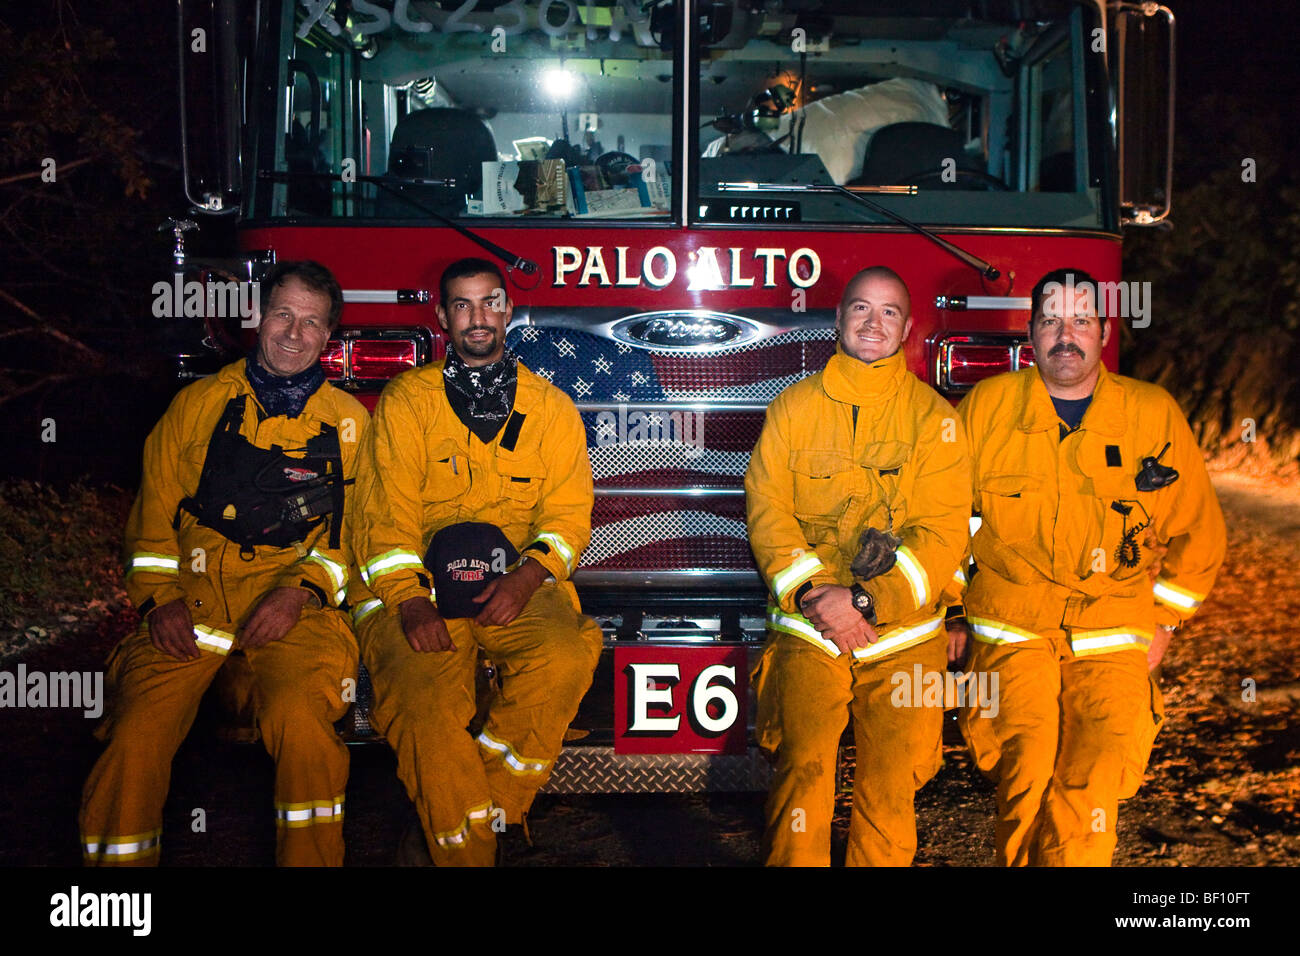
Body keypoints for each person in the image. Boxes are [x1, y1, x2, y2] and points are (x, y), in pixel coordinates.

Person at [80, 260, 368, 866]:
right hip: (193, 602)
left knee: (303, 726)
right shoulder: (196, 404)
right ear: (257, 319)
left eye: (311, 322)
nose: (293, 333)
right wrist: (160, 602)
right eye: (283, 314)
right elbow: (151, 519)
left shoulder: (351, 424)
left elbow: (353, 540)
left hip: (293, 608)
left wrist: (304, 592)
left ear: (328, 338)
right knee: (134, 736)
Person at [948, 268, 1227, 866]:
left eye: (1080, 320)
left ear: (1104, 331)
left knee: (1092, 780)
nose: (1065, 335)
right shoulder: (988, 408)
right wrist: (952, 610)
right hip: (1014, 628)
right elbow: (946, 520)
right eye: (1050, 321)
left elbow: (1198, 530)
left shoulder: (1152, 414)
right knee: (1028, 774)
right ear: (1030, 335)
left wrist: (1167, 622)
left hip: (1114, 630)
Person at [349, 256, 601, 867]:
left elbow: (568, 520)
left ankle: (478, 812)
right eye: (462, 305)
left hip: (515, 582)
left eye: (489, 302)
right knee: (424, 706)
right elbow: (383, 518)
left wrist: (528, 576)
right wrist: (409, 602)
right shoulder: (408, 403)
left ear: (509, 310)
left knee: (566, 657)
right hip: (415, 589)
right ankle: (472, 849)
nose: (477, 317)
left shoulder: (550, 408)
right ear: (442, 317)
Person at [744, 266, 971, 866]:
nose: (874, 323)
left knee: (890, 787)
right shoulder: (792, 408)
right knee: (804, 771)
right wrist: (818, 596)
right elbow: (769, 512)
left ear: (907, 330)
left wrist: (865, 602)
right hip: (809, 628)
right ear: (838, 319)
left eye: (889, 312)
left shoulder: (937, 420)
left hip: (906, 632)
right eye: (861, 309)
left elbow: (942, 535)